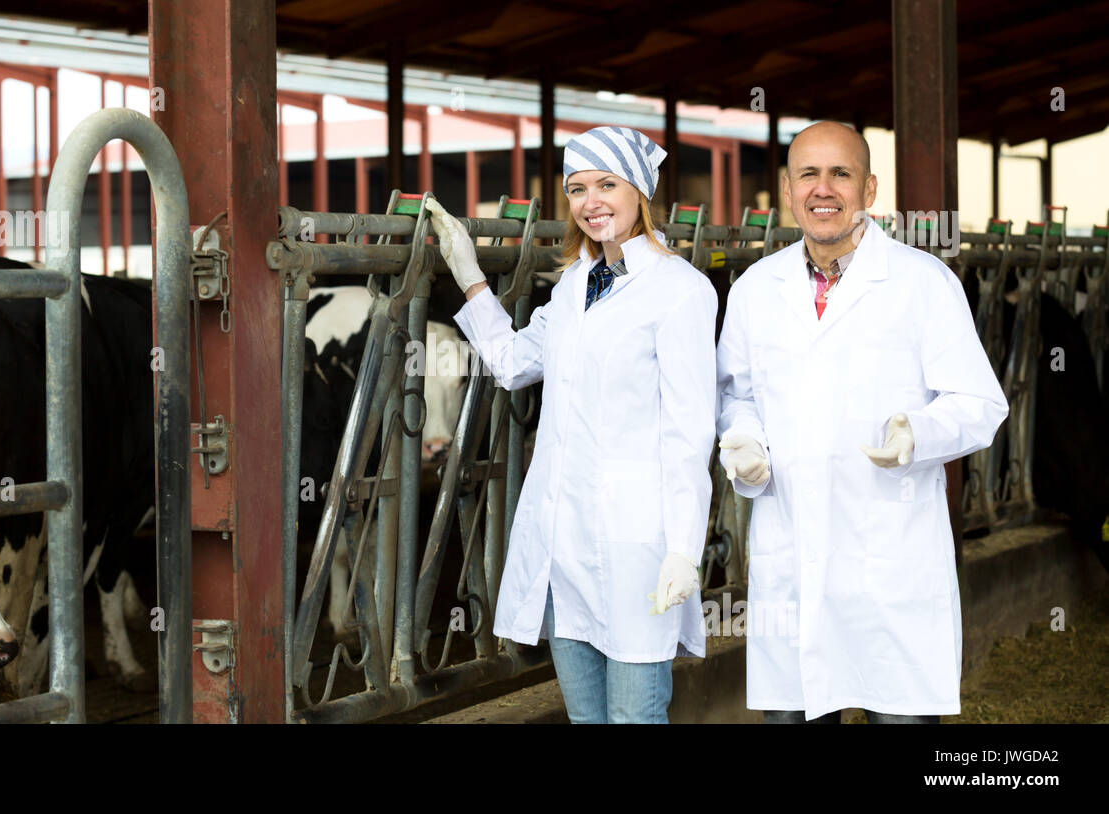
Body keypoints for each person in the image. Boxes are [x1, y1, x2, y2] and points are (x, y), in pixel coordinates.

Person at [716, 121, 1009, 723]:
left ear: (869, 189)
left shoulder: (923, 284)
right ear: (788, 189)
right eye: (808, 175)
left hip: (889, 569)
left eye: (841, 174)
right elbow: (737, 394)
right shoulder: (753, 290)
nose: (824, 190)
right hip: (791, 559)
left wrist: (917, 434)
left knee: (898, 714)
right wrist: (742, 438)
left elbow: (981, 404)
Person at [425, 126, 718, 724]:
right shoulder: (573, 288)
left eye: (607, 184)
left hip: (640, 548)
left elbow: (690, 434)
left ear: (639, 190)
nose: (592, 202)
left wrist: (685, 548)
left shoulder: (681, 291)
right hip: (564, 545)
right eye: (578, 188)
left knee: (636, 719)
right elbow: (510, 363)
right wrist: (468, 274)